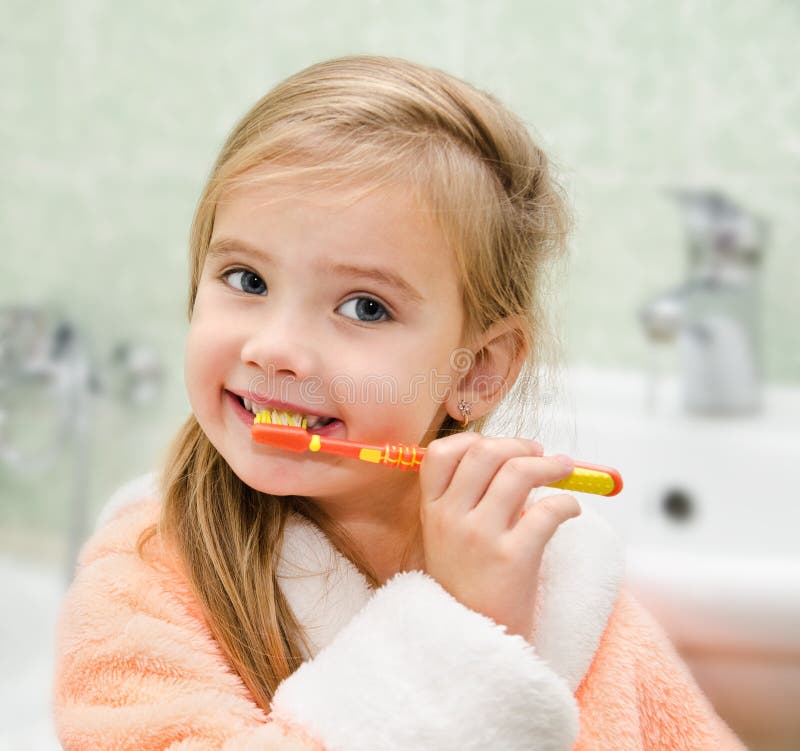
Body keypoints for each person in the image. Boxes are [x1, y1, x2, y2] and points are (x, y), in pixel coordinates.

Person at [53, 55, 744, 750]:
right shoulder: (142, 582)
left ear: (476, 370)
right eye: (246, 278)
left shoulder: (556, 579)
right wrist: (457, 635)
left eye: (364, 306)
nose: (274, 348)